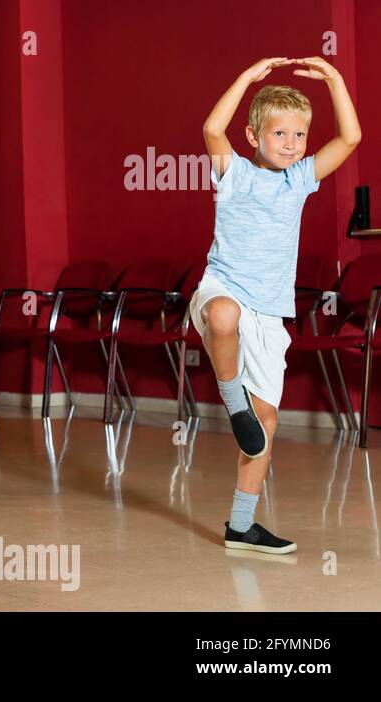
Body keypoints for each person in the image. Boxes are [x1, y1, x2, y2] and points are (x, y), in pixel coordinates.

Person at [192, 56, 361, 555]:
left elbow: (349, 139)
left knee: (263, 428)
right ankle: (231, 398)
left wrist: (335, 80)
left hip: (270, 312)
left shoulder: (299, 181)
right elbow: (210, 127)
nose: (290, 144)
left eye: (299, 136)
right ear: (253, 135)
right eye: (279, 133)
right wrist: (246, 78)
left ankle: (241, 526)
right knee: (224, 315)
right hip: (222, 287)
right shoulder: (234, 172)